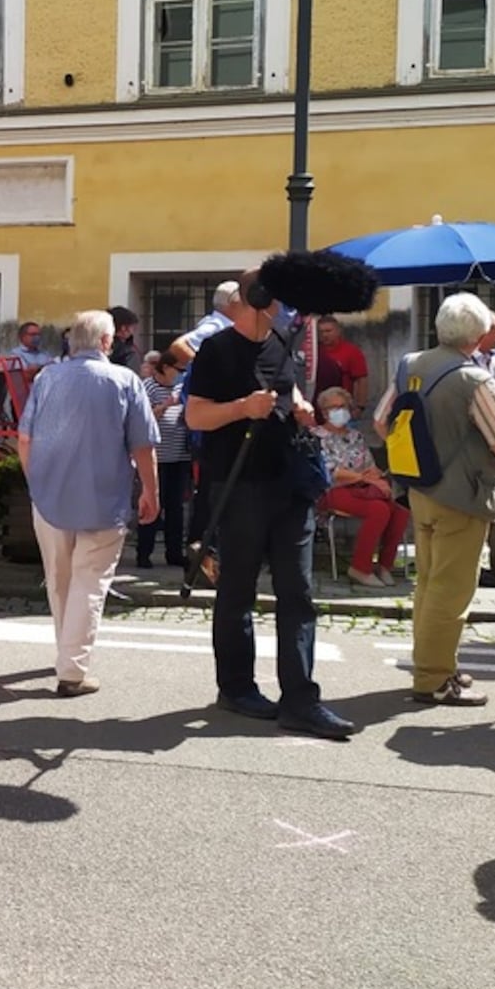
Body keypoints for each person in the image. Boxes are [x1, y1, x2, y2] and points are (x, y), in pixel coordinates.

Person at [185, 271, 358, 740]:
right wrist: (242, 408)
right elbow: (194, 413)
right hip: (239, 485)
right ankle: (236, 686)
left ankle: (301, 699)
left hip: (290, 485)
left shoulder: (285, 342)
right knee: (238, 590)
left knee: (298, 592)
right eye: (278, 299)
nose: (285, 308)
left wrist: (299, 405)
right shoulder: (216, 351)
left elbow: (289, 389)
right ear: (256, 300)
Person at [369, 294, 495, 706]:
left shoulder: (410, 363)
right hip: (464, 494)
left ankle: (436, 665)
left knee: (429, 584)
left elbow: (382, 423)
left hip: (421, 488)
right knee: (451, 591)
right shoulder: (474, 378)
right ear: (477, 333)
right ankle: (433, 679)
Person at [19, 311, 158, 697]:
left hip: (50, 497)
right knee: (90, 582)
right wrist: (151, 491)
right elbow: (142, 445)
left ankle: (68, 658)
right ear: (105, 342)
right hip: (104, 497)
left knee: (60, 580)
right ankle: (72, 669)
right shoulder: (125, 380)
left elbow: (25, 439)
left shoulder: (47, 378)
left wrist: (35, 484)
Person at [314, 386, 409, 588]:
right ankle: (360, 567)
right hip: (331, 491)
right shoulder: (317, 436)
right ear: (324, 412)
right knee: (379, 510)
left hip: (362, 489)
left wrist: (375, 479)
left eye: (343, 406)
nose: (340, 410)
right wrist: (364, 478)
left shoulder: (356, 436)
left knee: (400, 510)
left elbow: (372, 467)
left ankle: (385, 565)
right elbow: (332, 472)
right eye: (333, 407)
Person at [137, 352, 190, 569]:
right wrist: (166, 404)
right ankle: (144, 554)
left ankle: (174, 553)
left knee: (176, 507)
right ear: (166, 368)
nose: (181, 375)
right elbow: (144, 418)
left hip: (180, 456)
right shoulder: (147, 387)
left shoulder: (182, 387)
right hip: (157, 458)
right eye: (179, 370)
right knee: (152, 504)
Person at [167, 282, 239, 368]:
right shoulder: (216, 326)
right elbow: (178, 346)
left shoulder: (224, 324)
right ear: (233, 303)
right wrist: (204, 369)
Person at [314, 317, 370, 411]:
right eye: (321, 332)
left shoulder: (352, 352)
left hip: (342, 408)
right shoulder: (313, 352)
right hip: (317, 407)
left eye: (328, 331)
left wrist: (360, 406)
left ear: (338, 331)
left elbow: (361, 380)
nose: (324, 335)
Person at [108, 308, 141, 372]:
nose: (134, 331)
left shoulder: (96, 347)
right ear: (124, 328)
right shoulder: (128, 352)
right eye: (133, 327)